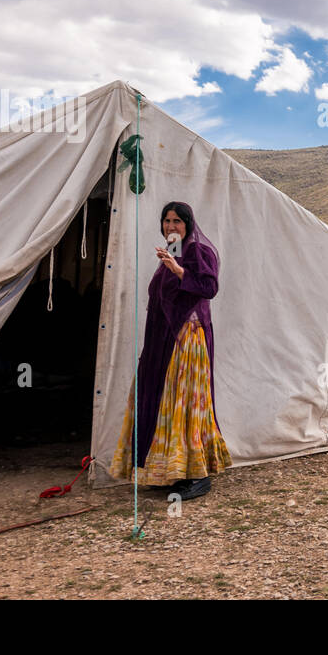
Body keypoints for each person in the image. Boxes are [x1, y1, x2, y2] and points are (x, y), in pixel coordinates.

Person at [110, 201, 230, 499]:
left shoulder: (199, 251)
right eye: (166, 220)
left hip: (188, 340)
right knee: (165, 402)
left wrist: (178, 271)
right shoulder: (171, 253)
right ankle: (170, 472)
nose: (171, 226)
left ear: (188, 224)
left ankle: (197, 474)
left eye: (177, 221)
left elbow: (209, 288)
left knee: (186, 404)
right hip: (165, 340)